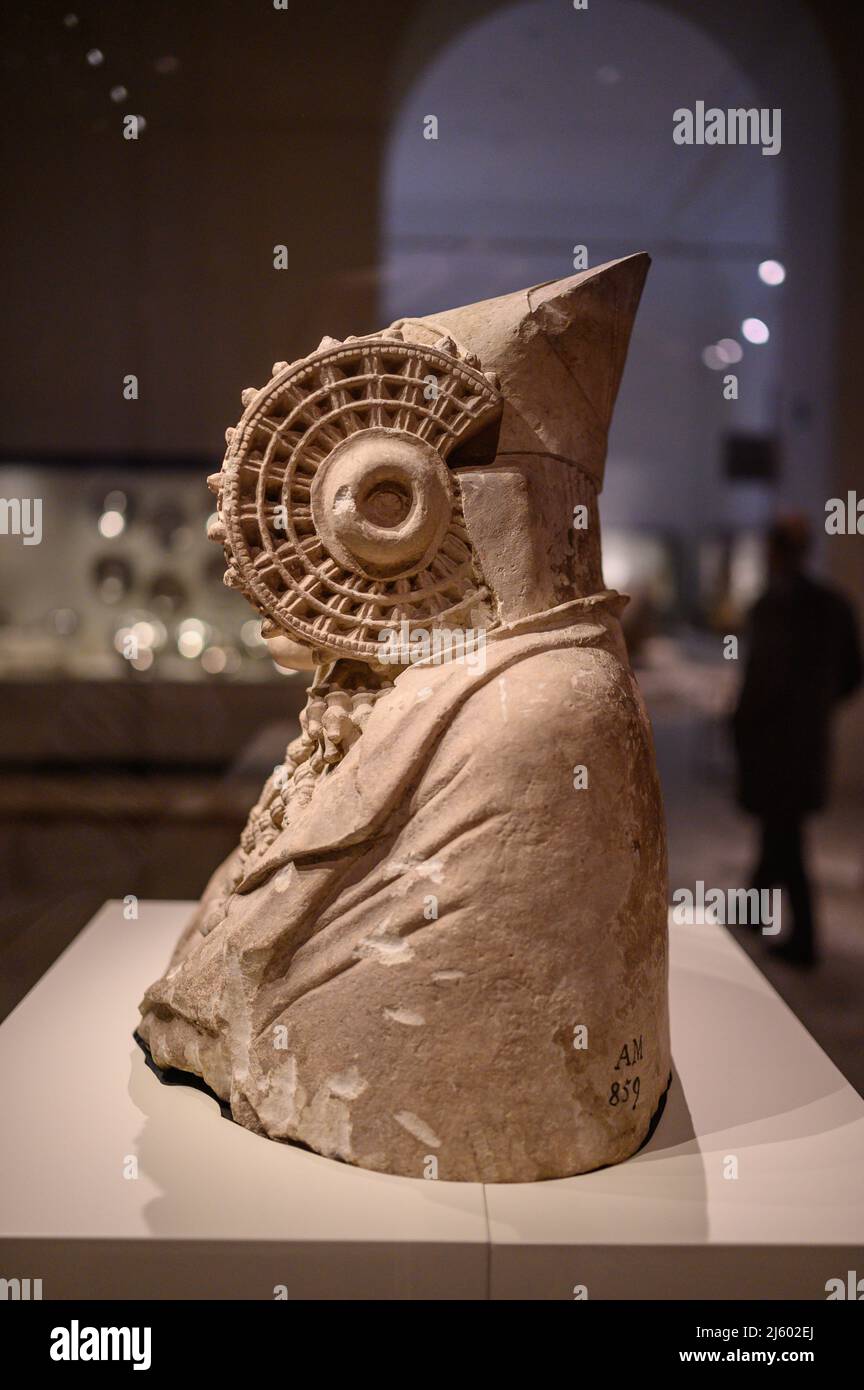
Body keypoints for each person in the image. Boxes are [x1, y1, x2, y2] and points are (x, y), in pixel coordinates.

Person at [733, 515, 862, 966]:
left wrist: (742, 726)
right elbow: (851, 675)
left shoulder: (773, 606)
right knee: (778, 833)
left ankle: (805, 940)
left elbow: (760, 682)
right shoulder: (834, 604)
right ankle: (753, 911)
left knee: (786, 838)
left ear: (774, 551)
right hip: (805, 741)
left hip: (775, 744)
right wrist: (817, 710)